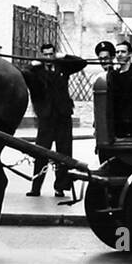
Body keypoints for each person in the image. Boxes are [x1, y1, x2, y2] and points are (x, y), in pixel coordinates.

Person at [24, 42, 87, 198]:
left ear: (54, 54)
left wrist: (64, 56)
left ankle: (60, 187)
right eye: (44, 55)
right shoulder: (35, 71)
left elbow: (81, 63)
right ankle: (36, 187)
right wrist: (32, 64)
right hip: (46, 117)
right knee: (41, 152)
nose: (48, 57)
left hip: (63, 115)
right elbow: (23, 73)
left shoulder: (62, 66)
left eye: (50, 54)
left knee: (64, 152)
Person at [107, 39, 132, 138]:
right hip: (117, 124)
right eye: (117, 52)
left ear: (129, 54)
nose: (119, 54)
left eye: (123, 52)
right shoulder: (113, 75)